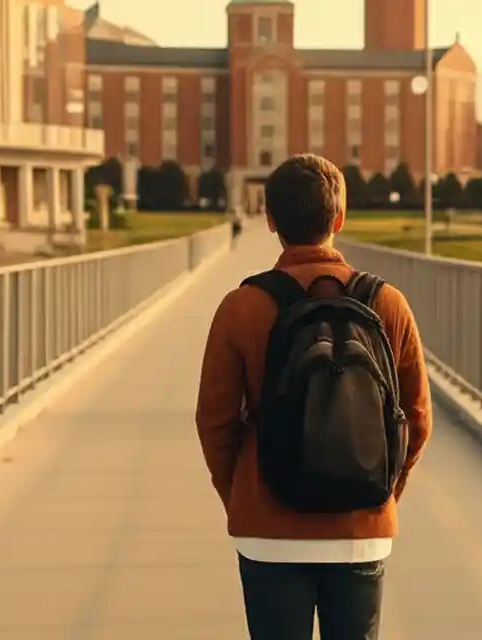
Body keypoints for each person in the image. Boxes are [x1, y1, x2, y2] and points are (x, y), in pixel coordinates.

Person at [196, 154, 432, 640]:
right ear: (340, 218)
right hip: (360, 532)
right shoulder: (386, 303)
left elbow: (214, 422)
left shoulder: (241, 307)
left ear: (270, 220)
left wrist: (241, 495)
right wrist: (384, 491)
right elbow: (417, 418)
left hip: (268, 532)